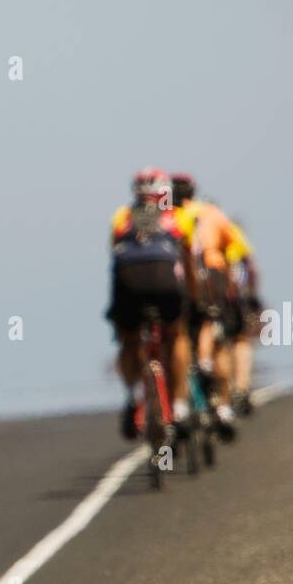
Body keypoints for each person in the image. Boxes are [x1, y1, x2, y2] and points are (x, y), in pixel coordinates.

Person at [108, 169, 197, 439]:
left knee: (129, 338)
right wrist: (192, 299)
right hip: (164, 281)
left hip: (130, 283)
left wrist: (117, 308)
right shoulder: (177, 216)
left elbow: (115, 262)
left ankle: (135, 393)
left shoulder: (122, 216)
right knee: (177, 335)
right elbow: (188, 264)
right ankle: (179, 406)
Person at [171, 174, 246, 439]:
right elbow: (238, 247)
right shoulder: (210, 212)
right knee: (218, 339)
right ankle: (223, 406)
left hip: (174, 285)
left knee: (178, 337)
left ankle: (177, 406)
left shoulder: (165, 216)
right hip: (211, 277)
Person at [226, 217, 263, 416]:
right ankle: (241, 388)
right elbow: (250, 270)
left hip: (209, 298)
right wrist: (254, 300)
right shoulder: (233, 235)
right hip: (235, 298)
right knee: (241, 340)